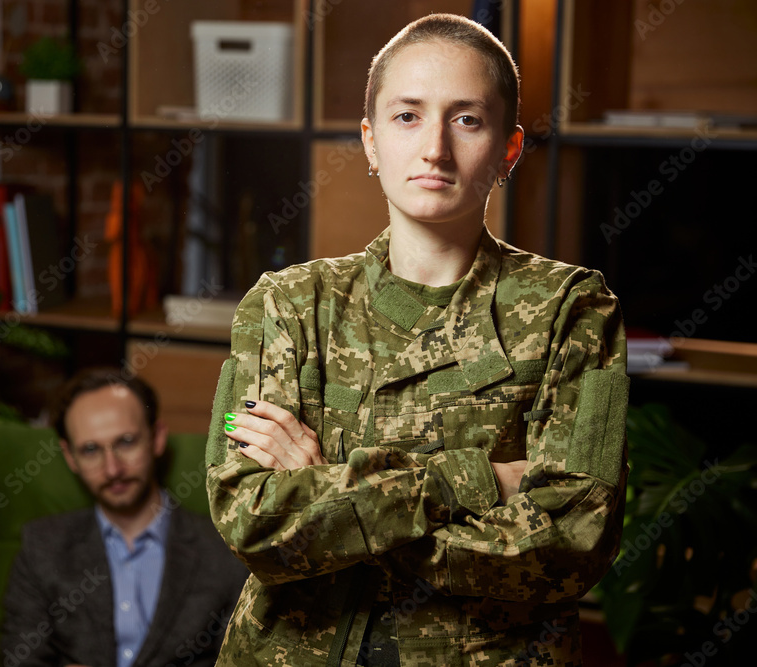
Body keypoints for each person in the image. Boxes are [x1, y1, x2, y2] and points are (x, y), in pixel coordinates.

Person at [205, 13, 629, 667]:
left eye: (467, 119)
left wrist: (331, 492)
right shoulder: (286, 304)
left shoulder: (571, 308)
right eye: (408, 116)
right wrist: (473, 479)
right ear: (370, 142)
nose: (434, 147)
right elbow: (252, 522)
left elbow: (572, 542)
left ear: (509, 149)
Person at [2, 369, 248, 667]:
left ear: (157, 438)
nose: (112, 469)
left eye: (126, 442)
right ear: (70, 457)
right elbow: (19, 659)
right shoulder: (41, 547)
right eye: (91, 449)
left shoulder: (224, 550)